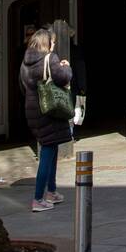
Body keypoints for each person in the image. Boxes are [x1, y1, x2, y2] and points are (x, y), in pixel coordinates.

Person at [20, 27, 73, 211]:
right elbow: (63, 77)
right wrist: (66, 66)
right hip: (49, 109)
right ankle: (38, 198)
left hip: (32, 110)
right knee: (47, 152)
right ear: (47, 42)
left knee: (51, 146)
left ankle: (51, 191)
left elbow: (23, 86)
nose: (54, 44)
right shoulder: (50, 59)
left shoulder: (25, 63)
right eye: (53, 42)